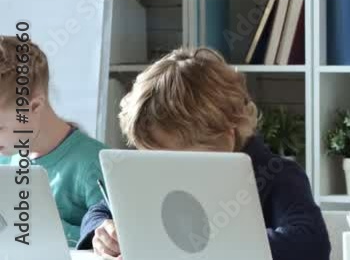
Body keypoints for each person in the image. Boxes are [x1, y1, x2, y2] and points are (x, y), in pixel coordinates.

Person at [77, 48, 330, 260]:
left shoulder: (277, 176)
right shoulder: (154, 172)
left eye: (177, 159)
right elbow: (100, 210)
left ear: (226, 136)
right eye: (153, 157)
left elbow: (311, 242)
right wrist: (102, 230)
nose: (163, 170)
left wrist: (200, 246)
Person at [0, 36, 107, 247]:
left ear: (33, 107)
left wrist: (43, 227)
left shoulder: (95, 165)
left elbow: (116, 243)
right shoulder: (6, 160)